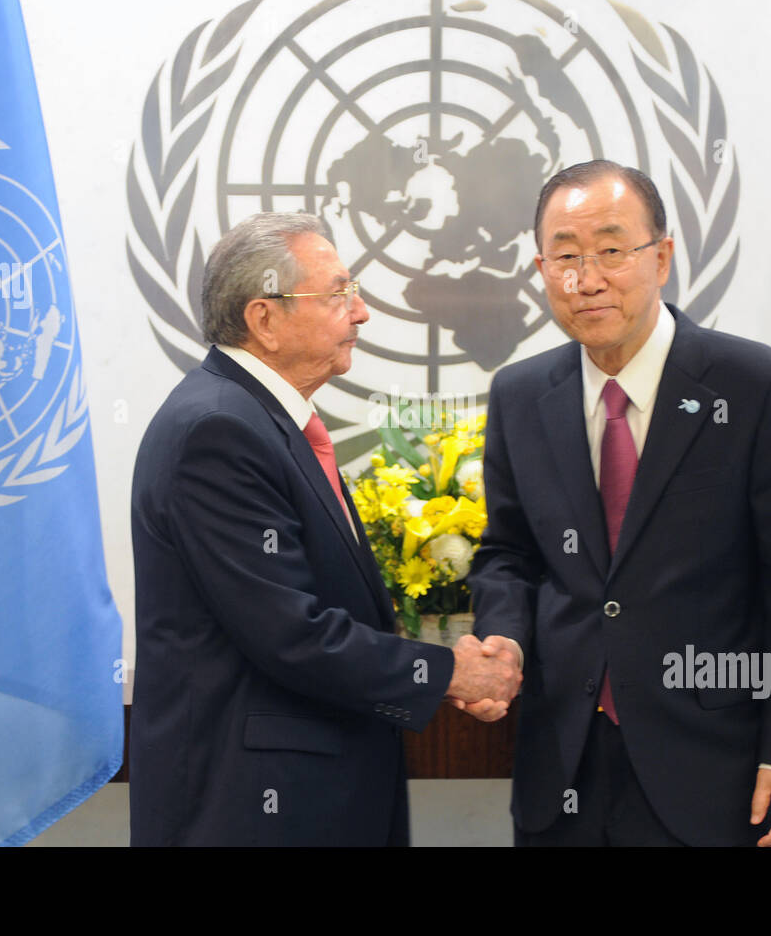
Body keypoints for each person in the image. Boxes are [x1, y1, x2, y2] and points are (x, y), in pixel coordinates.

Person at [468, 161, 771, 846]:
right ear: (541, 269)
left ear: (662, 257)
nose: (588, 279)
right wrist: (505, 640)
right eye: (566, 257)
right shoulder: (520, 395)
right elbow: (508, 554)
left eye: (612, 251)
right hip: (563, 766)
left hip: (711, 765)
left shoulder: (759, 387)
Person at [129, 212, 519, 846]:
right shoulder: (218, 432)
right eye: (338, 294)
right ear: (264, 318)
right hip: (252, 810)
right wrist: (448, 673)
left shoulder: (255, 419)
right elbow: (291, 634)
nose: (361, 313)